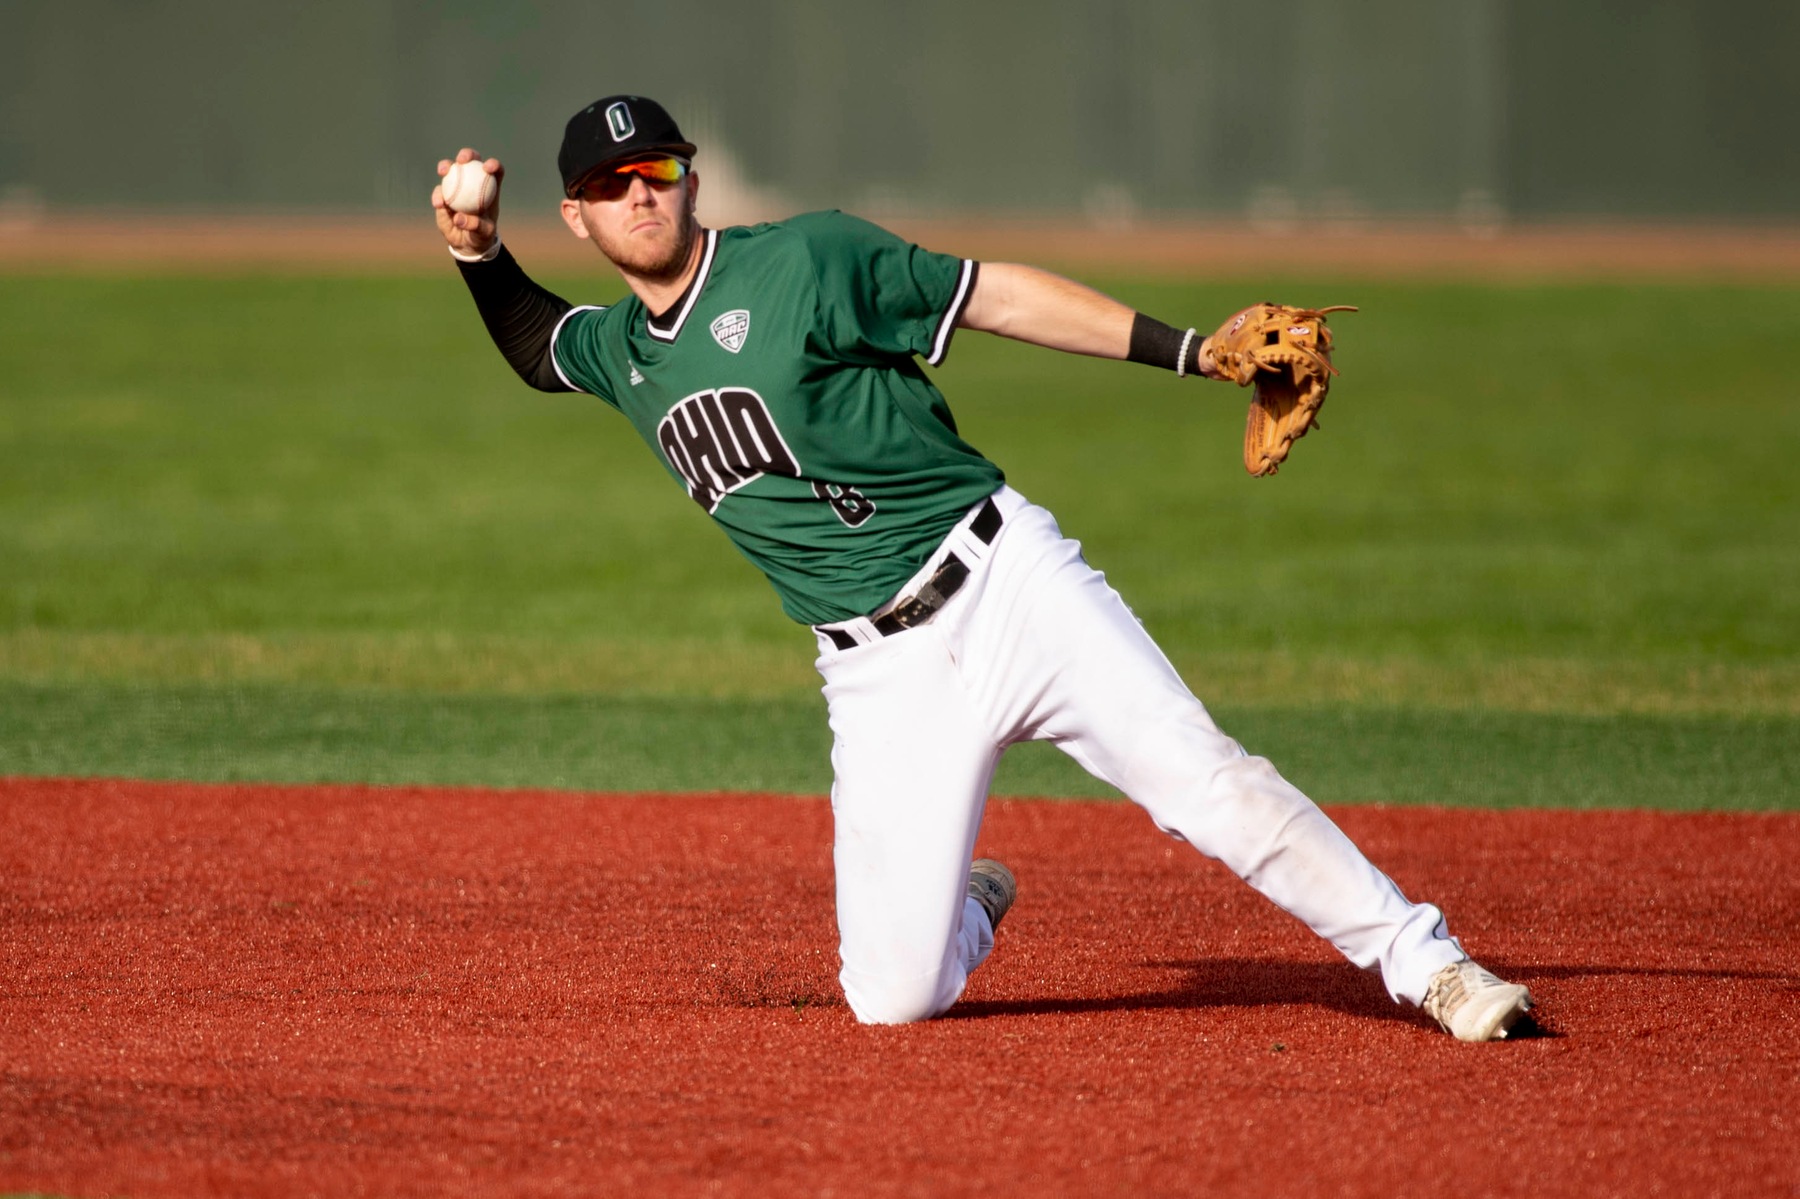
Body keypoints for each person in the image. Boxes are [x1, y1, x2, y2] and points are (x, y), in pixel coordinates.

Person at [432, 94, 1536, 1041]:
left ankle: (1429, 962)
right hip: (874, 672)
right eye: (611, 181)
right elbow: (539, 347)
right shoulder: (623, 353)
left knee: (1207, 780)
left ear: (690, 179)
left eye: (659, 168)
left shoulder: (806, 258)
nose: (642, 194)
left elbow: (994, 294)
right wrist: (477, 251)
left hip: (1006, 582)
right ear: (576, 212)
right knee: (892, 996)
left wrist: (1193, 349)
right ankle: (967, 898)